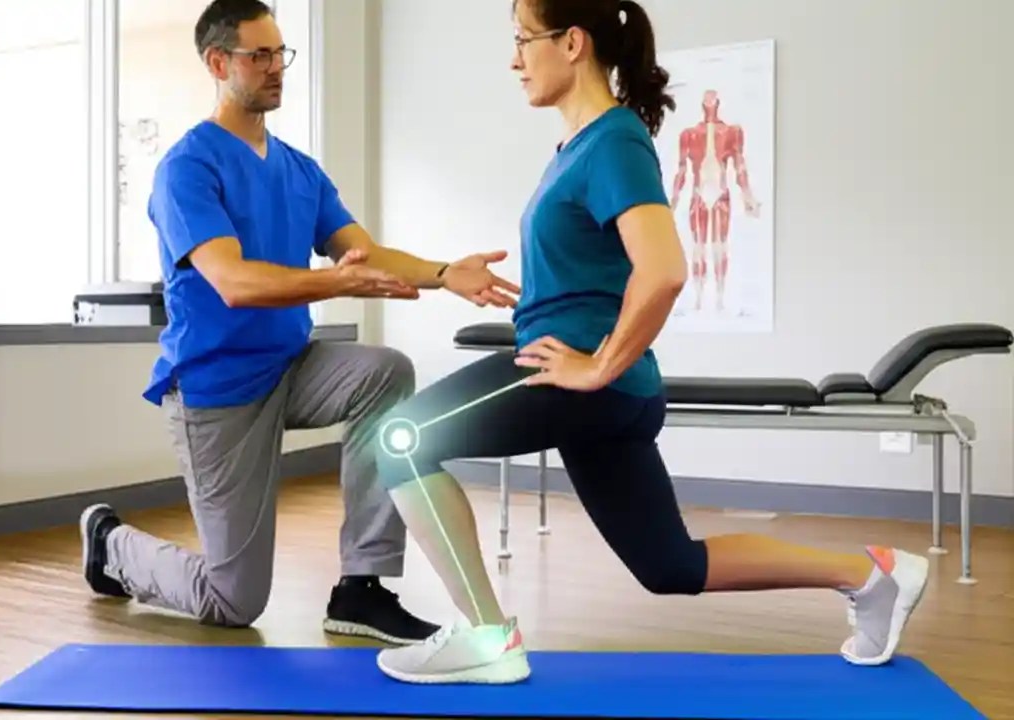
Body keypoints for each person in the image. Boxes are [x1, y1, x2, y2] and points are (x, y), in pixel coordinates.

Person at [370, 0, 929, 684]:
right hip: (608, 393)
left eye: (522, 40)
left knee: (399, 437)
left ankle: (487, 639)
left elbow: (663, 268)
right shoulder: (583, 146)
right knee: (671, 565)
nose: (513, 58)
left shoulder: (612, 140)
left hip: (578, 380)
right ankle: (873, 574)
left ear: (572, 42)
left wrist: (596, 364)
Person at [76, 0, 522, 647]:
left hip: (290, 366)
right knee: (234, 601)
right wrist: (338, 282)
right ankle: (111, 544)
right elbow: (232, 281)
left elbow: (359, 249)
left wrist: (445, 270)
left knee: (385, 373)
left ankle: (361, 588)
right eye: (259, 55)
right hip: (217, 389)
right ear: (218, 62)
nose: (276, 68)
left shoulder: (298, 170)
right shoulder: (187, 168)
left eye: (280, 53)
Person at [670, 89, 761, 313]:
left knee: (719, 247)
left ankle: (720, 297)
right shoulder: (689, 134)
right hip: (699, 193)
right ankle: (699, 297)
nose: (709, 103)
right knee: (699, 247)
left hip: (720, 193)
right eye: (706, 100)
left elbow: (740, 166)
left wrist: (747, 195)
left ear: (718, 103)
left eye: (713, 100)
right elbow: (682, 170)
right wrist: (673, 199)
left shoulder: (731, 132)